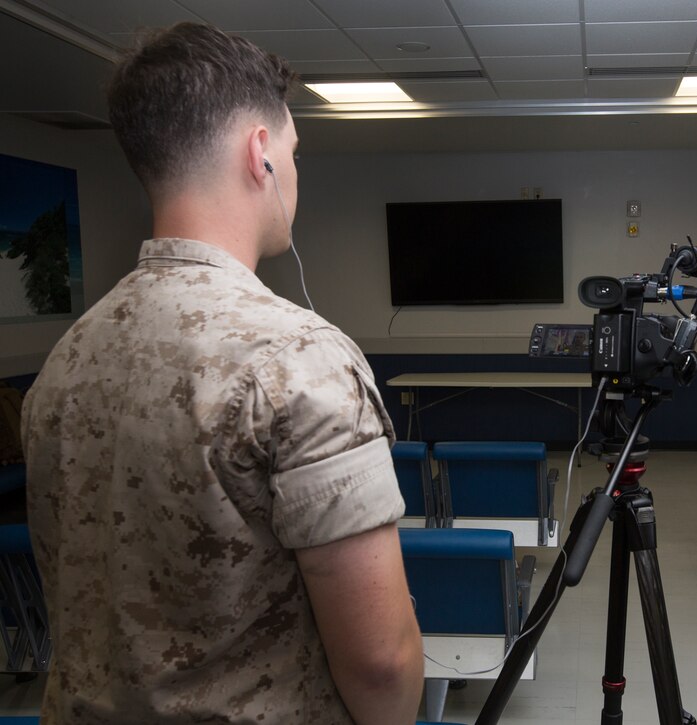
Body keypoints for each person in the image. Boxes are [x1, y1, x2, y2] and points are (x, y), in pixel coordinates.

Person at [22, 23, 423, 723]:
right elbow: (380, 660)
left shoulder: (66, 358)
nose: (295, 171)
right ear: (260, 154)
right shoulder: (299, 360)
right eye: (295, 151)